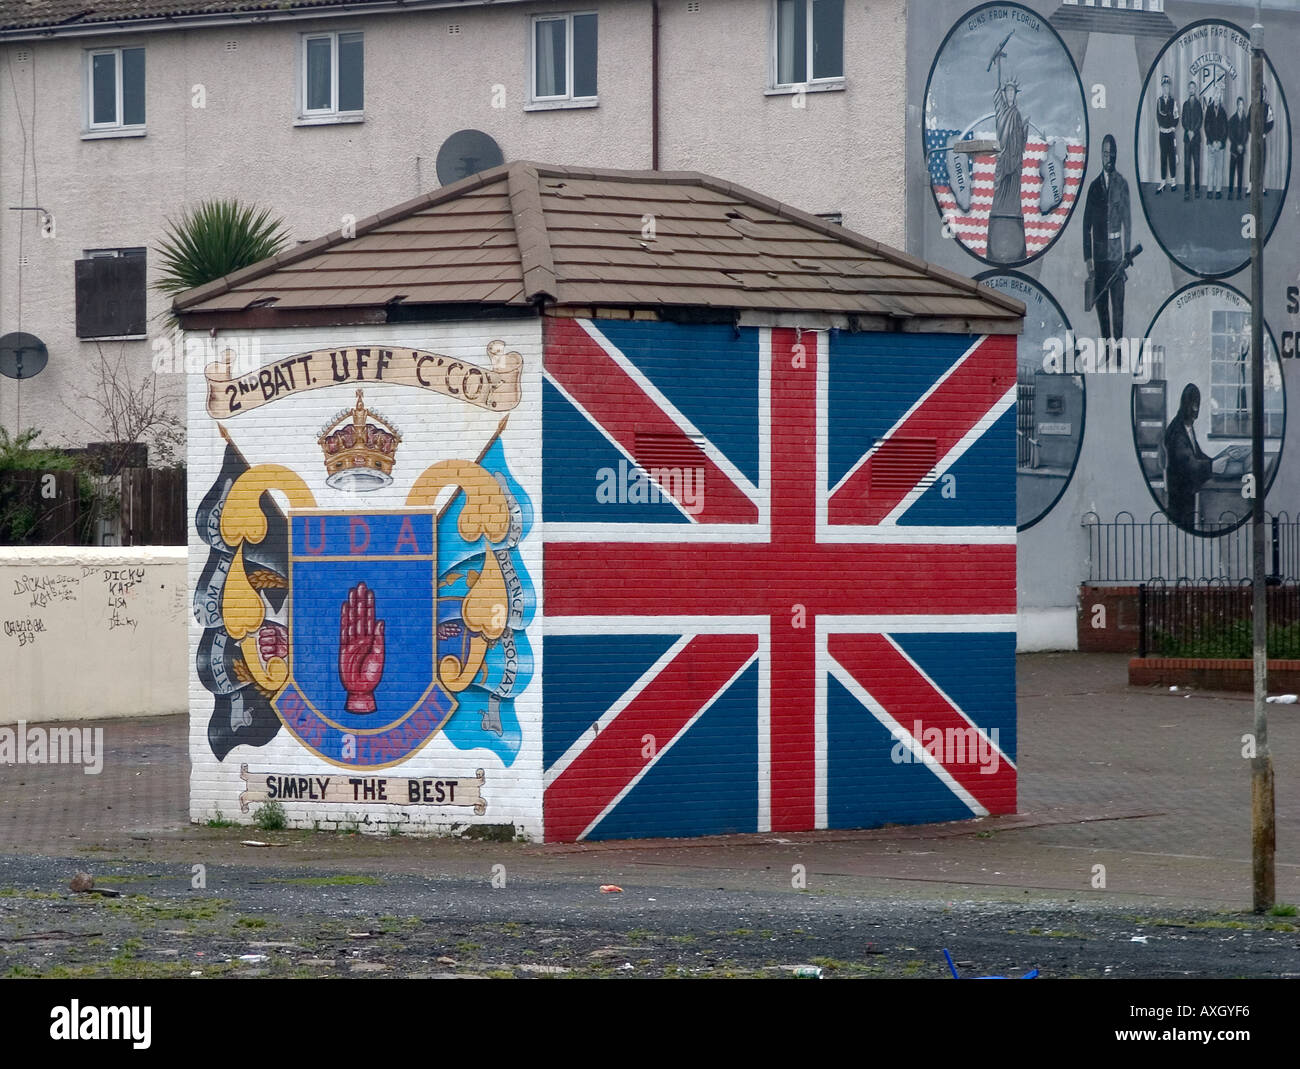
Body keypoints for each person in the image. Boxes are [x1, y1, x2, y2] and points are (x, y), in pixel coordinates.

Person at [1083, 134, 1131, 342]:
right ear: (1100, 155)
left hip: (1117, 257)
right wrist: (1088, 261)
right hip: (1099, 258)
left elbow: (1128, 223)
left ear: (1116, 155)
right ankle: (1106, 348)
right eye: (1105, 153)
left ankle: (1119, 352)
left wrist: (1127, 253)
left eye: (1112, 153)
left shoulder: (1122, 184)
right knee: (1101, 308)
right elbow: (1086, 227)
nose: (1108, 157)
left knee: (1118, 309)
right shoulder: (1093, 187)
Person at [1164, 383, 1213, 531]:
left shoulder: (1188, 427)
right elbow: (1189, 464)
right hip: (1180, 498)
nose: (1196, 409)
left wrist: (1215, 461)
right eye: (1194, 405)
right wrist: (1213, 466)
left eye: (1197, 405)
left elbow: (1197, 454)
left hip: (1186, 495)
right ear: (1187, 405)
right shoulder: (1177, 432)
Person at [989, 77, 1028, 263]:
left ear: (1015, 94)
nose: (1010, 94)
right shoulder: (1001, 111)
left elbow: (1021, 140)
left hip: (1015, 163)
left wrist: (1024, 129)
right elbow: (996, 94)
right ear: (1005, 94)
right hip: (1003, 161)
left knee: (1014, 197)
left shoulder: (1017, 114)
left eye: (1013, 91)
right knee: (999, 197)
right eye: (1008, 91)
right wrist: (997, 64)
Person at [1248, 86, 1275, 196]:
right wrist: (1252, 132)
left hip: (1262, 139)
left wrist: (1264, 133)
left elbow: (1271, 122)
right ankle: (1250, 185)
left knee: (1262, 161)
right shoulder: (1252, 106)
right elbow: (1247, 120)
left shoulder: (1268, 107)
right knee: (1253, 161)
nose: (1262, 94)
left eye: (1264, 92)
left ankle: (1261, 186)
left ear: (1265, 93)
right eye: (1261, 92)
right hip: (1254, 139)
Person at [1156, 74, 1179, 193]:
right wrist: (1162, 127)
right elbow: (1158, 117)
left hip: (1170, 133)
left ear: (1169, 88)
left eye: (1167, 86)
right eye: (1164, 86)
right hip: (1162, 134)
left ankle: (1173, 181)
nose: (1166, 88)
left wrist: (1173, 127)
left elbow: (1176, 116)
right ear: (1162, 87)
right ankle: (1163, 182)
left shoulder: (1173, 101)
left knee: (1172, 156)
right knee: (1163, 157)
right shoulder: (1159, 101)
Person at [1181, 85, 1203, 200]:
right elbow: (1183, 120)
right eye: (1189, 88)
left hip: (1196, 138)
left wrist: (1193, 132)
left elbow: (1200, 120)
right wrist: (1188, 131)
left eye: (1193, 88)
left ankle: (1197, 189)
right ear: (1188, 90)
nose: (1191, 90)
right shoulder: (1185, 104)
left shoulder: (1199, 105)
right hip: (1187, 140)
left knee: (1197, 165)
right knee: (1187, 165)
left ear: (1195, 90)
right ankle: (1187, 191)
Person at [1204, 92, 1227, 200]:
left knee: (1219, 169)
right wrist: (1212, 142)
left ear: (1220, 98)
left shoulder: (1223, 112)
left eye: (1218, 96)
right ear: (1213, 97)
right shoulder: (1209, 110)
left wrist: (1220, 142)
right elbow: (1206, 127)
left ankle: (1218, 191)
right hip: (1211, 145)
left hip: (1220, 145)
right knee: (1210, 169)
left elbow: (1225, 129)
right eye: (1215, 95)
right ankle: (1209, 190)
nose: (1217, 97)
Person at [1228, 96, 1249, 200]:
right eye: (1239, 104)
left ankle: (1239, 193)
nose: (1241, 106)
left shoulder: (1245, 119)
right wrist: (1237, 144)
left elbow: (1246, 135)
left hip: (1242, 149)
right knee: (1232, 171)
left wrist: (1242, 144)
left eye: (1242, 104)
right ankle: (1230, 192)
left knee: (1240, 172)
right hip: (1234, 149)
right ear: (1237, 105)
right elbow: (1230, 134)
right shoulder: (1232, 119)